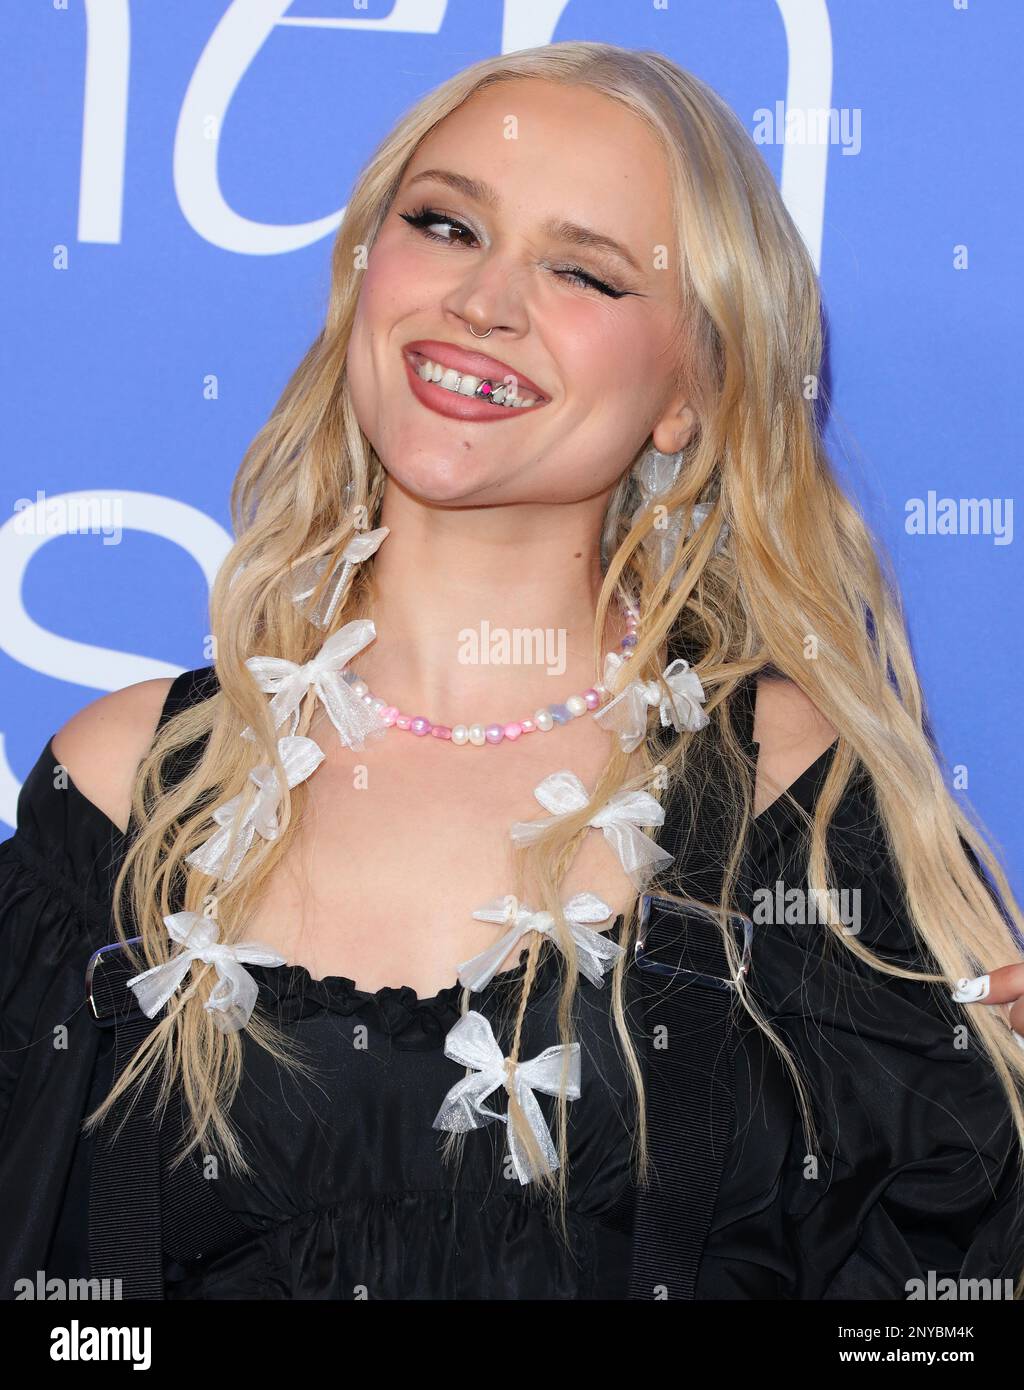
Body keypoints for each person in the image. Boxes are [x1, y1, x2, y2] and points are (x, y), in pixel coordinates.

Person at [2, 41, 1023, 1302]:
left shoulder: (791, 805)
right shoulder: (119, 789)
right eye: (444, 224)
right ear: (365, 276)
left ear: (687, 395)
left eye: (584, 271)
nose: (484, 301)